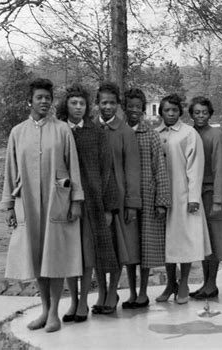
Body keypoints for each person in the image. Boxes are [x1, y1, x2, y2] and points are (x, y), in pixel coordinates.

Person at [1, 78, 83, 332]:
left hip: (56, 202)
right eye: (39, 97)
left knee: (54, 256)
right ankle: (45, 310)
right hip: (28, 203)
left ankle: (55, 313)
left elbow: (74, 168)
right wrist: (8, 205)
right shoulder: (18, 132)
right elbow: (10, 170)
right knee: (36, 257)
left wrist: (76, 201)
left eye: (48, 97)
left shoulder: (61, 130)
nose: (44, 101)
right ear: (30, 101)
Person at [56, 84, 119, 322]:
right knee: (69, 253)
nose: (79, 107)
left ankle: (84, 302)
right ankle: (72, 301)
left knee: (88, 253)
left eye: (82, 103)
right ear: (67, 105)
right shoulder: (59, 131)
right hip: (64, 201)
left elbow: (107, 170)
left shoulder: (96, 133)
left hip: (92, 203)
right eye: (74, 103)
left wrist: (109, 207)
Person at [155, 93, 211, 305]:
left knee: (185, 241)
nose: (170, 113)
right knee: (168, 243)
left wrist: (193, 197)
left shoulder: (189, 134)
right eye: (167, 110)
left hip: (183, 196)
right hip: (162, 197)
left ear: (180, 112)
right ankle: (170, 284)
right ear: (161, 112)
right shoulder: (155, 133)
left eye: (174, 110)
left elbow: (195, 167)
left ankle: (184, 282)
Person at [93, 82, 142, 314]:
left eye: (112, 103)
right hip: (95, 201)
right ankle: (101, 291)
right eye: (104, 102)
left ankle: (113, 291)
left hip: (120, 201)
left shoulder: (124, 132)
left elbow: (133, 171)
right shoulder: (90, 129)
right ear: (97, 104)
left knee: (118, 248)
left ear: (118, 105)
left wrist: (132, 203)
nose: (108, 107)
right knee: (98, 248)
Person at [122, 88, 171, 309]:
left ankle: (143, 293)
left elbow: (159, 167)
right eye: (130, 106)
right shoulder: (119, 132)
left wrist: (162, 201)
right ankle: (130, 291)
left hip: (148, 198)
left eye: (138, 107)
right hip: (125, 200)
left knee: (145, 248)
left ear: (143, 110)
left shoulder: (150, 134)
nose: (134, 111)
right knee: (130, 248)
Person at [188, 96, 222, 300]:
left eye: (204, 112)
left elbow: (220, 169)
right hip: (193, 194)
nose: (200, 116)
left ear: (210, 114)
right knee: (201, 242)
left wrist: (218, 200)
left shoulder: (215, 135)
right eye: (197, 112)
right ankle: (205, 282)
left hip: (209, 193)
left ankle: (211, 283)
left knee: (213, 241)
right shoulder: (189, 133)